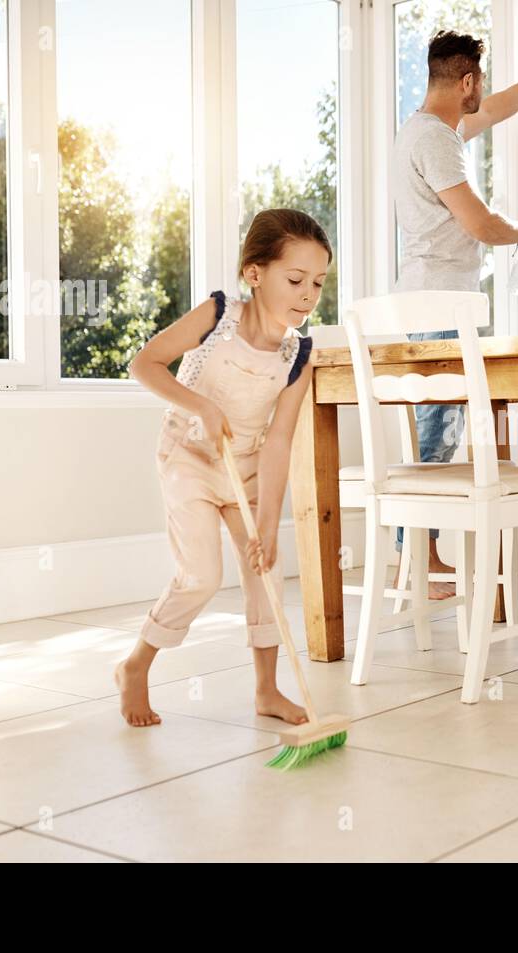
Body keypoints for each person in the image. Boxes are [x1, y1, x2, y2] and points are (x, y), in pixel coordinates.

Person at [116, 208, 326, 728]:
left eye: (318, 283)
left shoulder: (298, 354)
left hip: (249, 465)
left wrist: (270, 520)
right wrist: (201, 406)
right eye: (296, 279)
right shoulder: (216, 316)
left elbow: (279, 442)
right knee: (202, 576)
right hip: (188, 456)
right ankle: (135, 666)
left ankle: (266, 691)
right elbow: (143, 364)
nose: (308, 294)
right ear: (254, 274)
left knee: (266, 573)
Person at [391, 27, 518, 597]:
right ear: (465, 80)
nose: (482, 93)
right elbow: (480, 224)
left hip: (430, 294)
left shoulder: (428, 129)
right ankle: (416, 554)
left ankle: (417, 552)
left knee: (436, 424)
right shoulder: (438, 141)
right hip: (439, 297)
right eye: (479, 82)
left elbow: (494, 110)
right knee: (437, 428)